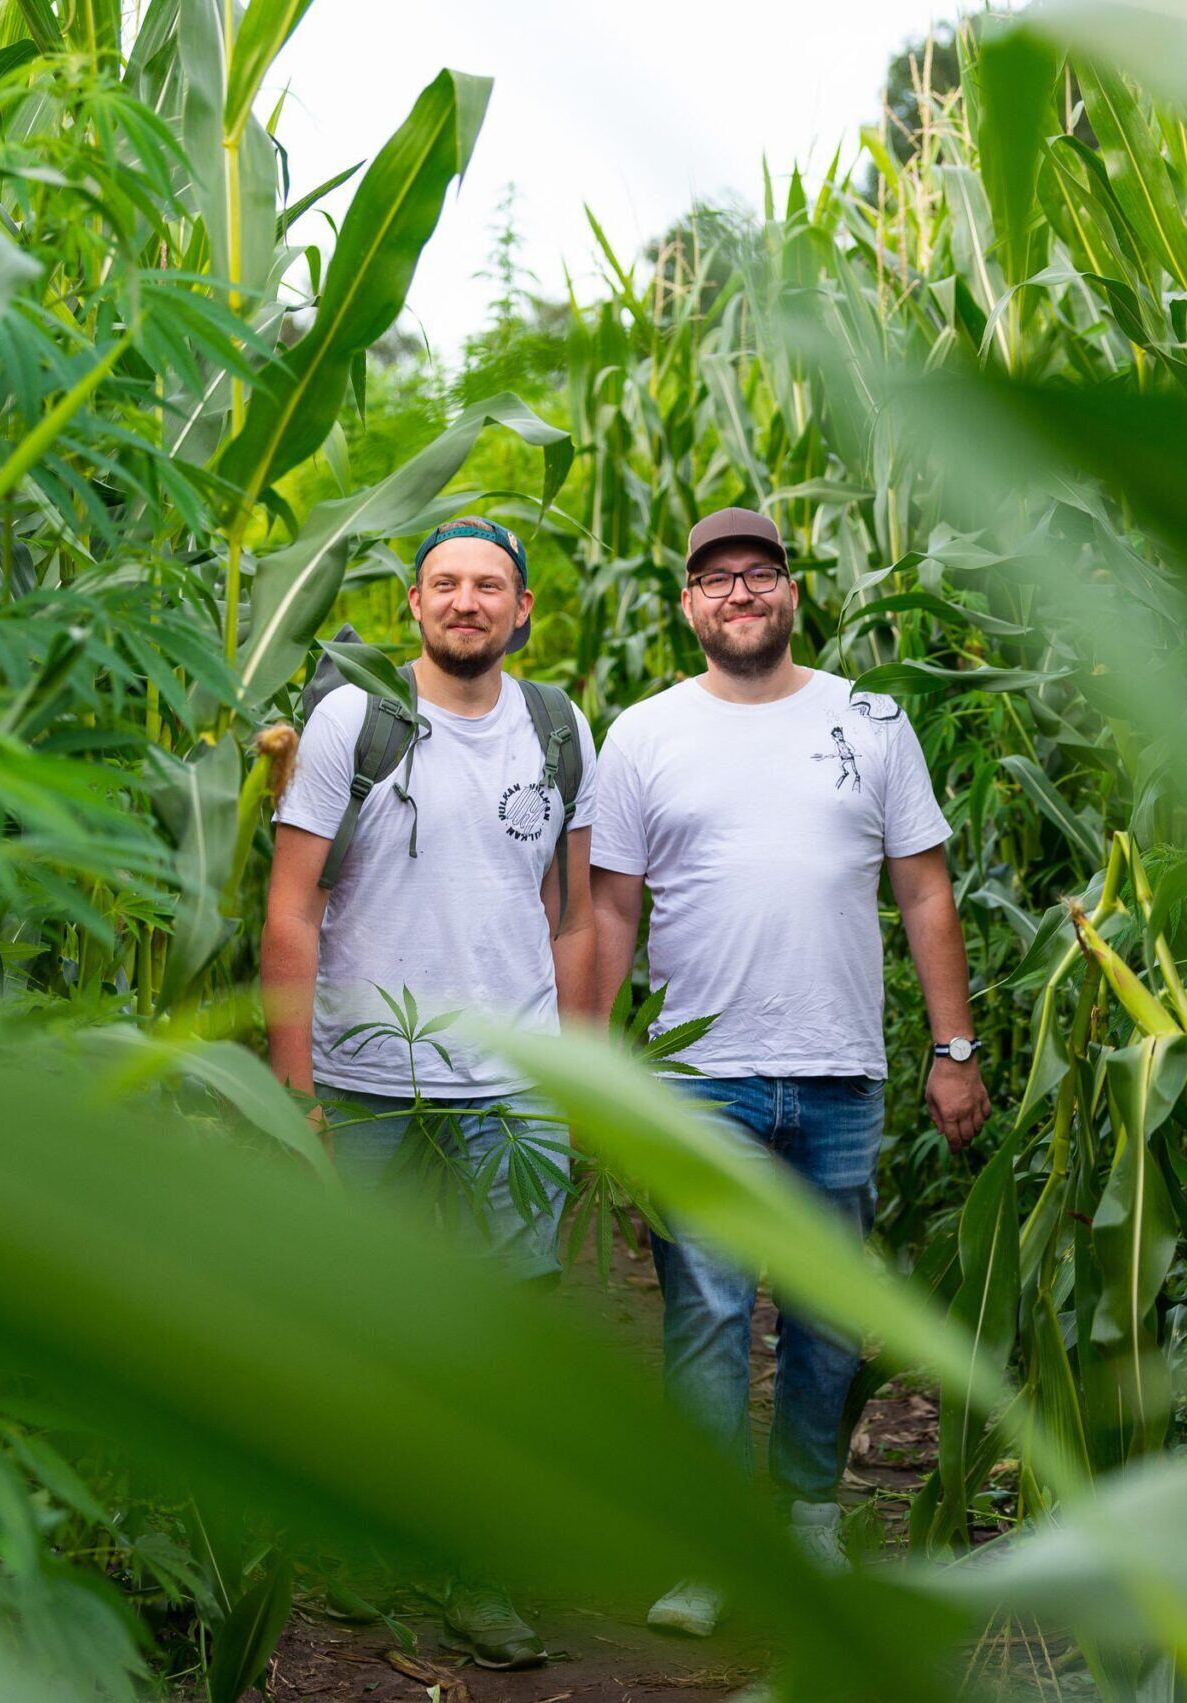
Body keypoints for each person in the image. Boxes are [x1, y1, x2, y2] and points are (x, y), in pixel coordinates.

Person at [587, 505, 991, 1636]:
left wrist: (952, 1049)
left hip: (838, 1067)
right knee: (706, 1310)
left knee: (820, 1309)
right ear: (688, 606)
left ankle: (809, 1511)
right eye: (715, 579)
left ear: (791, 591)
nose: (739, 593)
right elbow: (611, 905)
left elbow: (923, 890)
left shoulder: (869, 719)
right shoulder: (645, 732)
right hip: (692, 1074)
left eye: (758, 573)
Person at [261, 515, 595, 1671]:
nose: (466, 601)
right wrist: (290, 1083)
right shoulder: (352, 715)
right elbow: (292, 903)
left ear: (522, 611)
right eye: (445, 584)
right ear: (413, 603)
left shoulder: (558, 728)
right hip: (365, 1076)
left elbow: (572, 916)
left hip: (515, 1083)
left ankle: (478, 1568)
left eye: (488, 586)